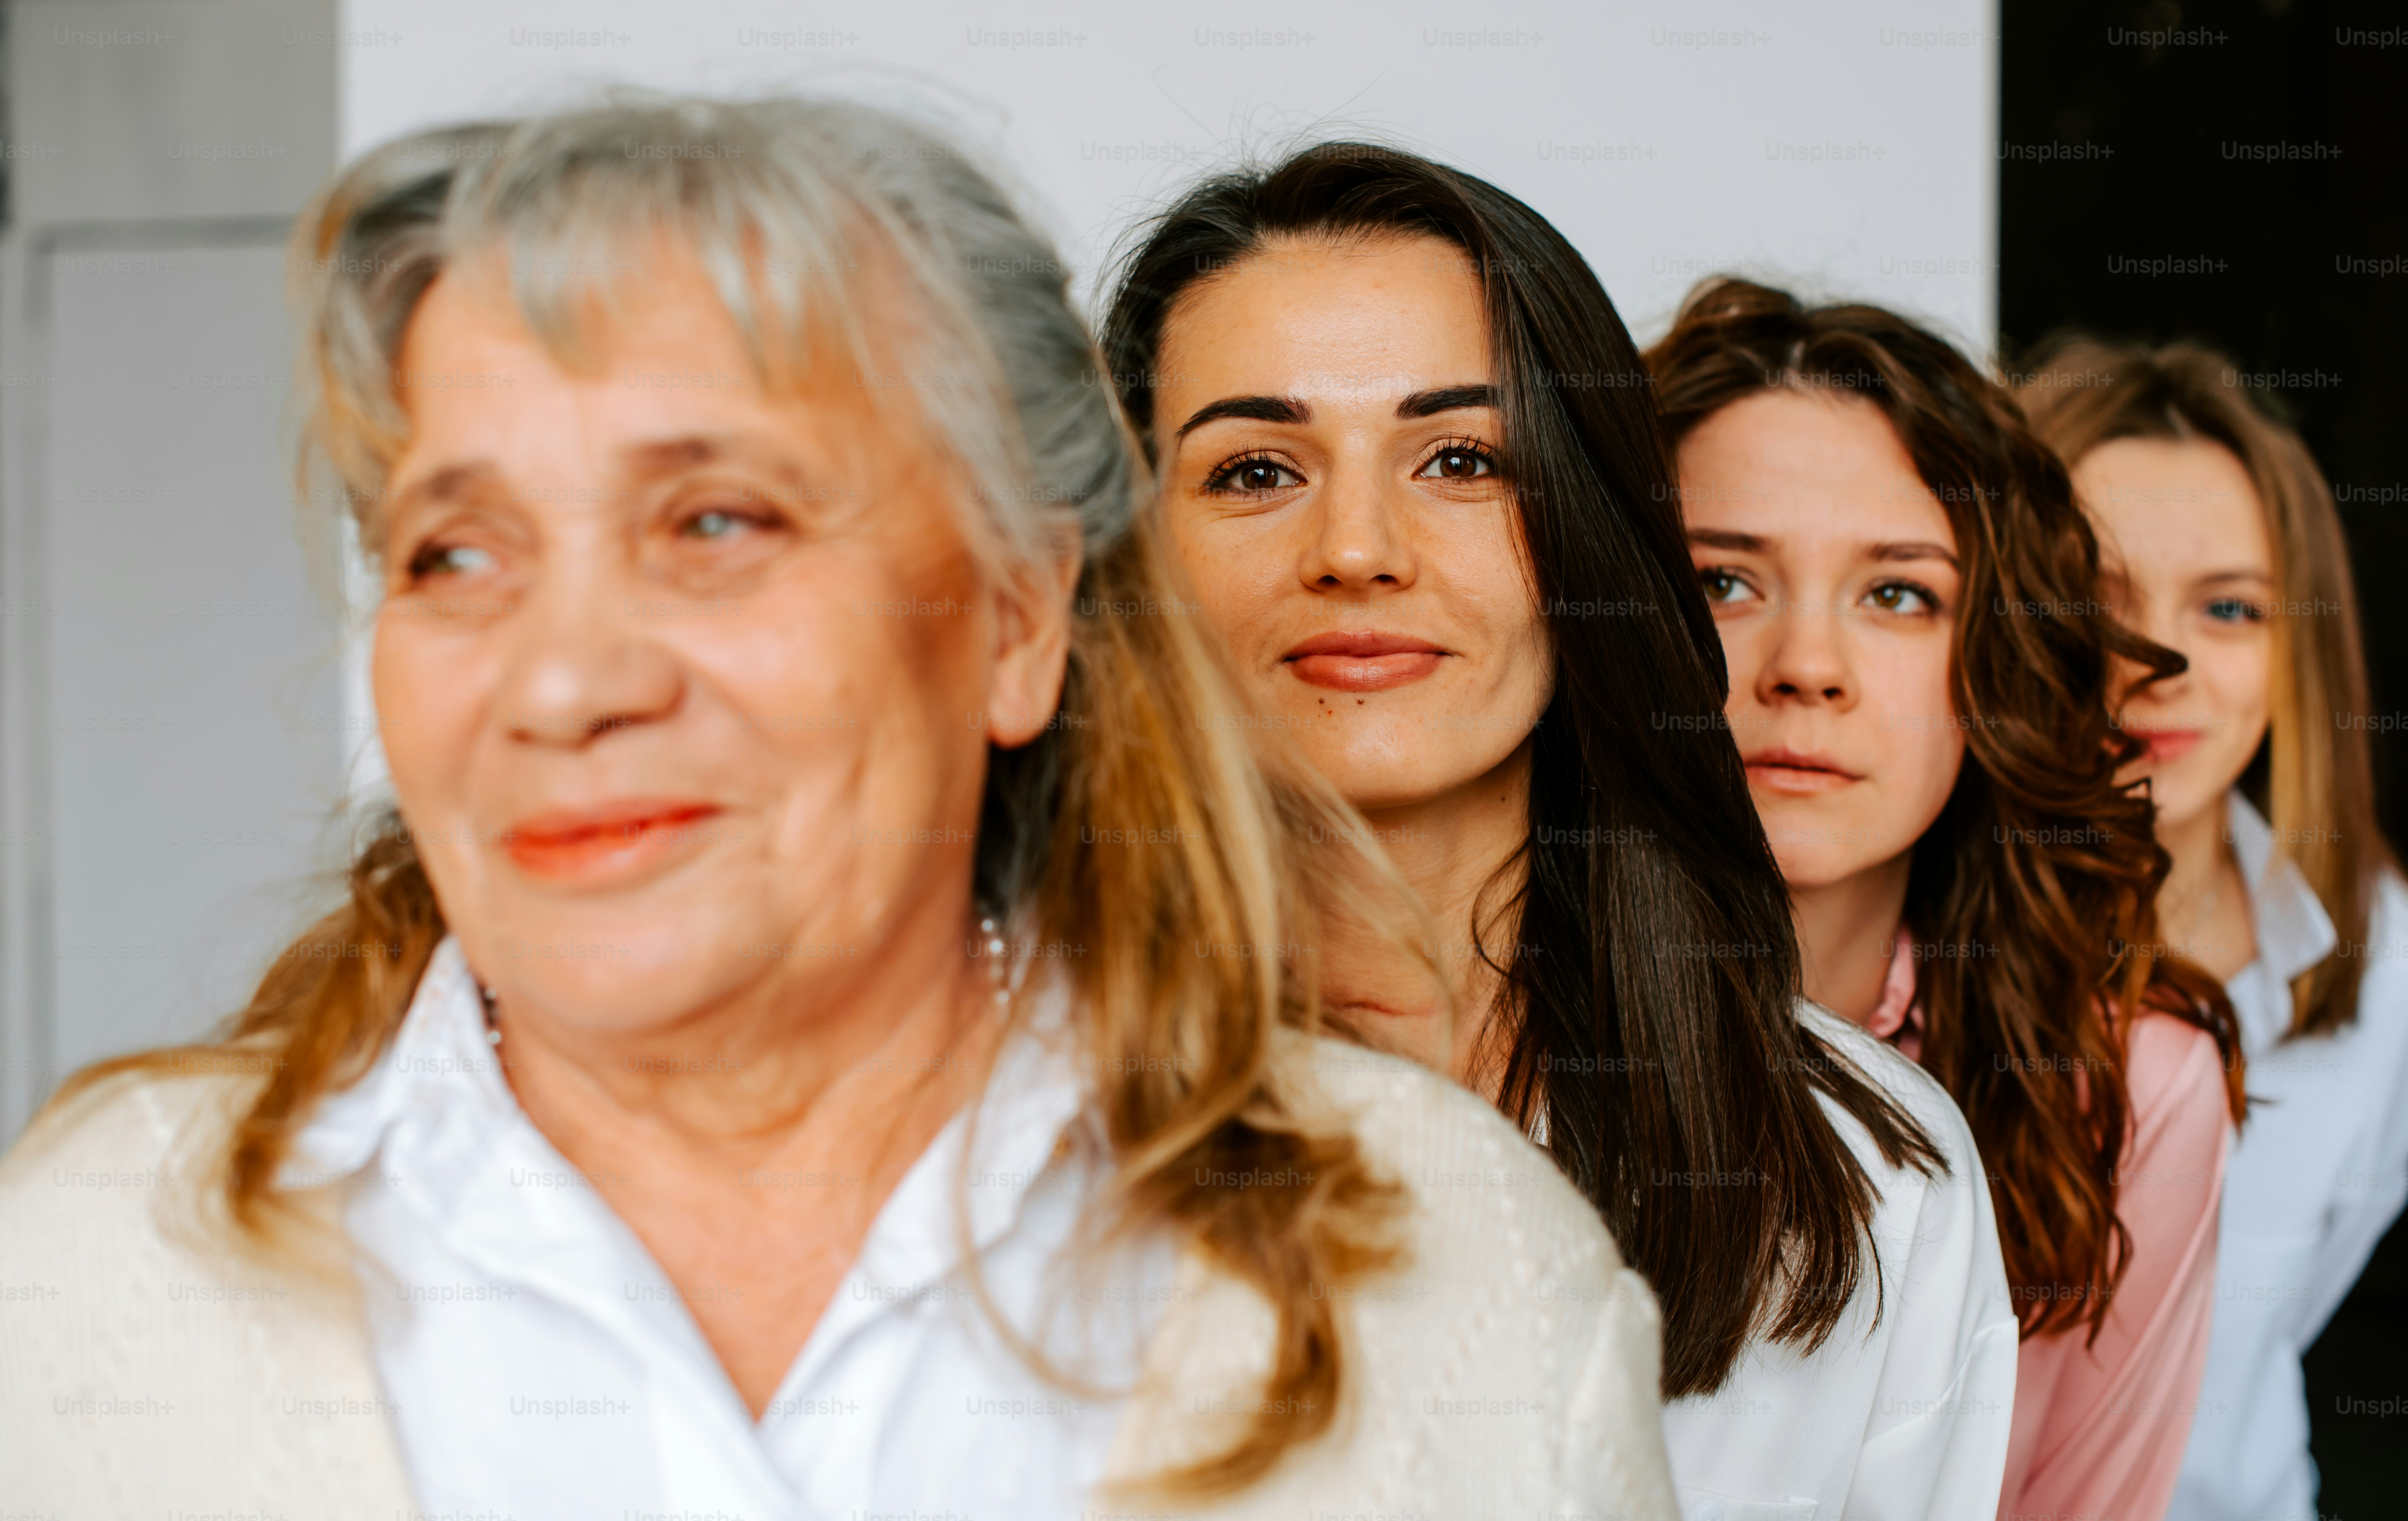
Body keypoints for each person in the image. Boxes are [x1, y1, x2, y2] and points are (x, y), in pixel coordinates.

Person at [0, 98, 1681, 1521]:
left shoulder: (1458, 1280)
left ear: (1019, 619)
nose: (559, 680)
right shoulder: (97, 1259)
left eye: (715, 521)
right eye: (458, 550)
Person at [1102, 144, 2015, 1520]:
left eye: (1461, 457)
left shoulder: (1878, 1180)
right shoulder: (975, 1127)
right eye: (1253, 471)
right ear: (1130, 558)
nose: (1357, 548)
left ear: (1587, 535)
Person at [1646, 277, 2250, 1521]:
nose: (1805, 669)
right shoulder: (1458, 1007)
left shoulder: (2130, 1086)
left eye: (1897, 595)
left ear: (1991, 671)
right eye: (1723, 584)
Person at [2018, 338, 2408, 1521]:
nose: (2166, 664)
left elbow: (2282, 1318)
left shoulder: (2377, 949)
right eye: (2096, 603)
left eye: (2228, 607)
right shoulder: (1893, 941)